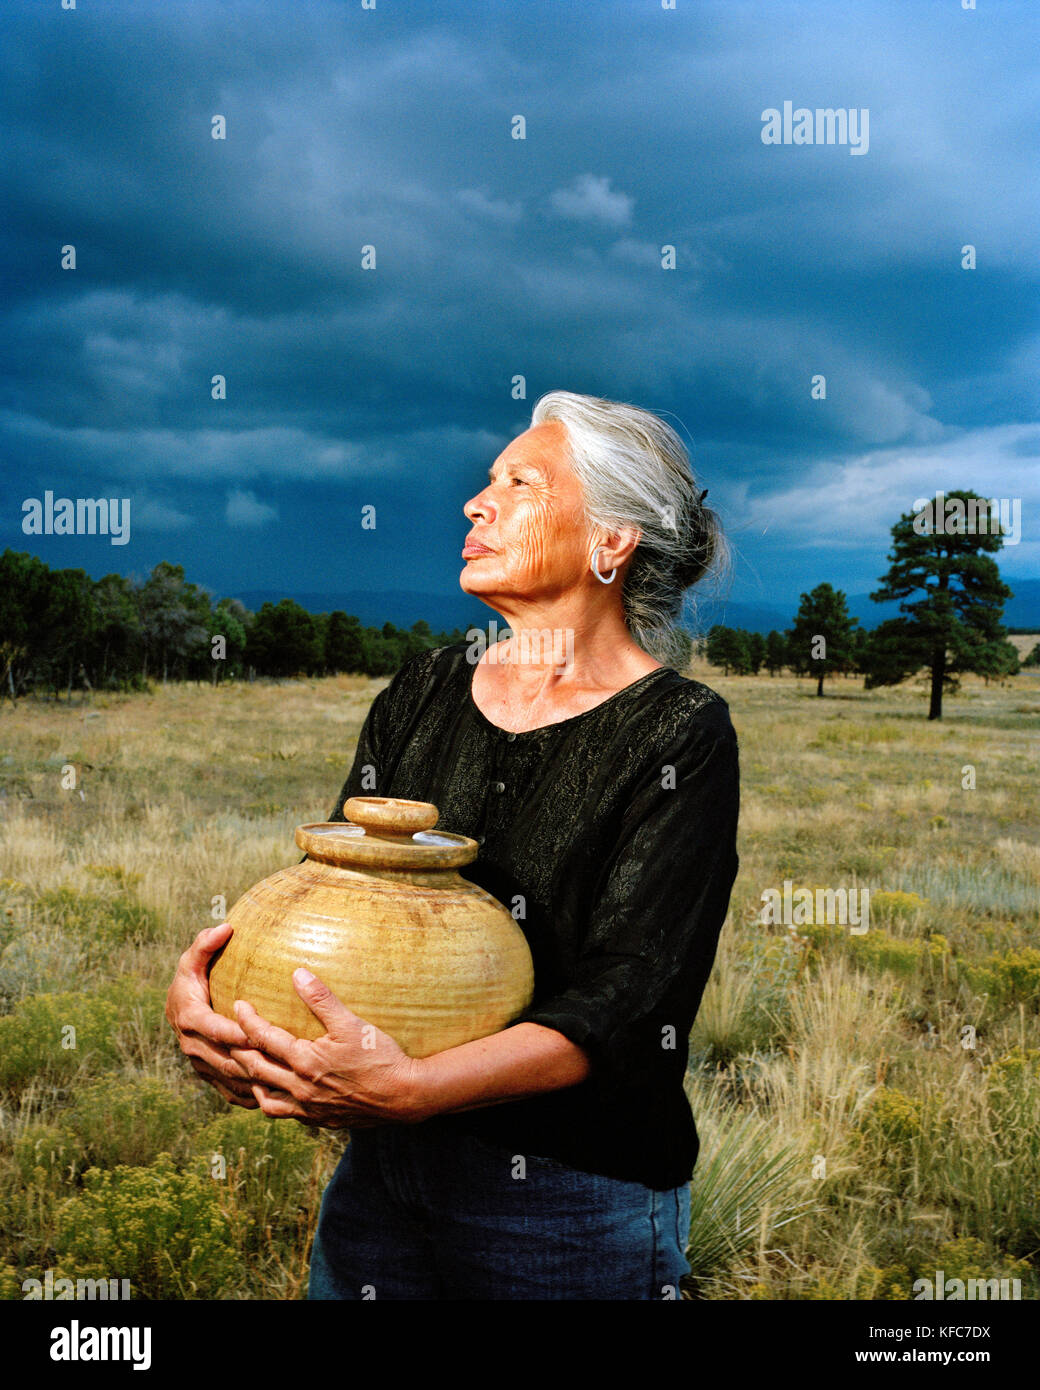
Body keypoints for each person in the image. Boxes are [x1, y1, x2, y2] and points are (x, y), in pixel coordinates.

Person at [166, 389, 740, 1300]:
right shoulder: (425, 690)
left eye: (520, 483)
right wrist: (229, 1021)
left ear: (611, 542)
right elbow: (339, 900)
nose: (477, 503)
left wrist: (416, 1090)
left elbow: (629, 1003)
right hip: (385, 1181)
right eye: (485, 482)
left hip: (572, 1201)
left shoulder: (680, 732)